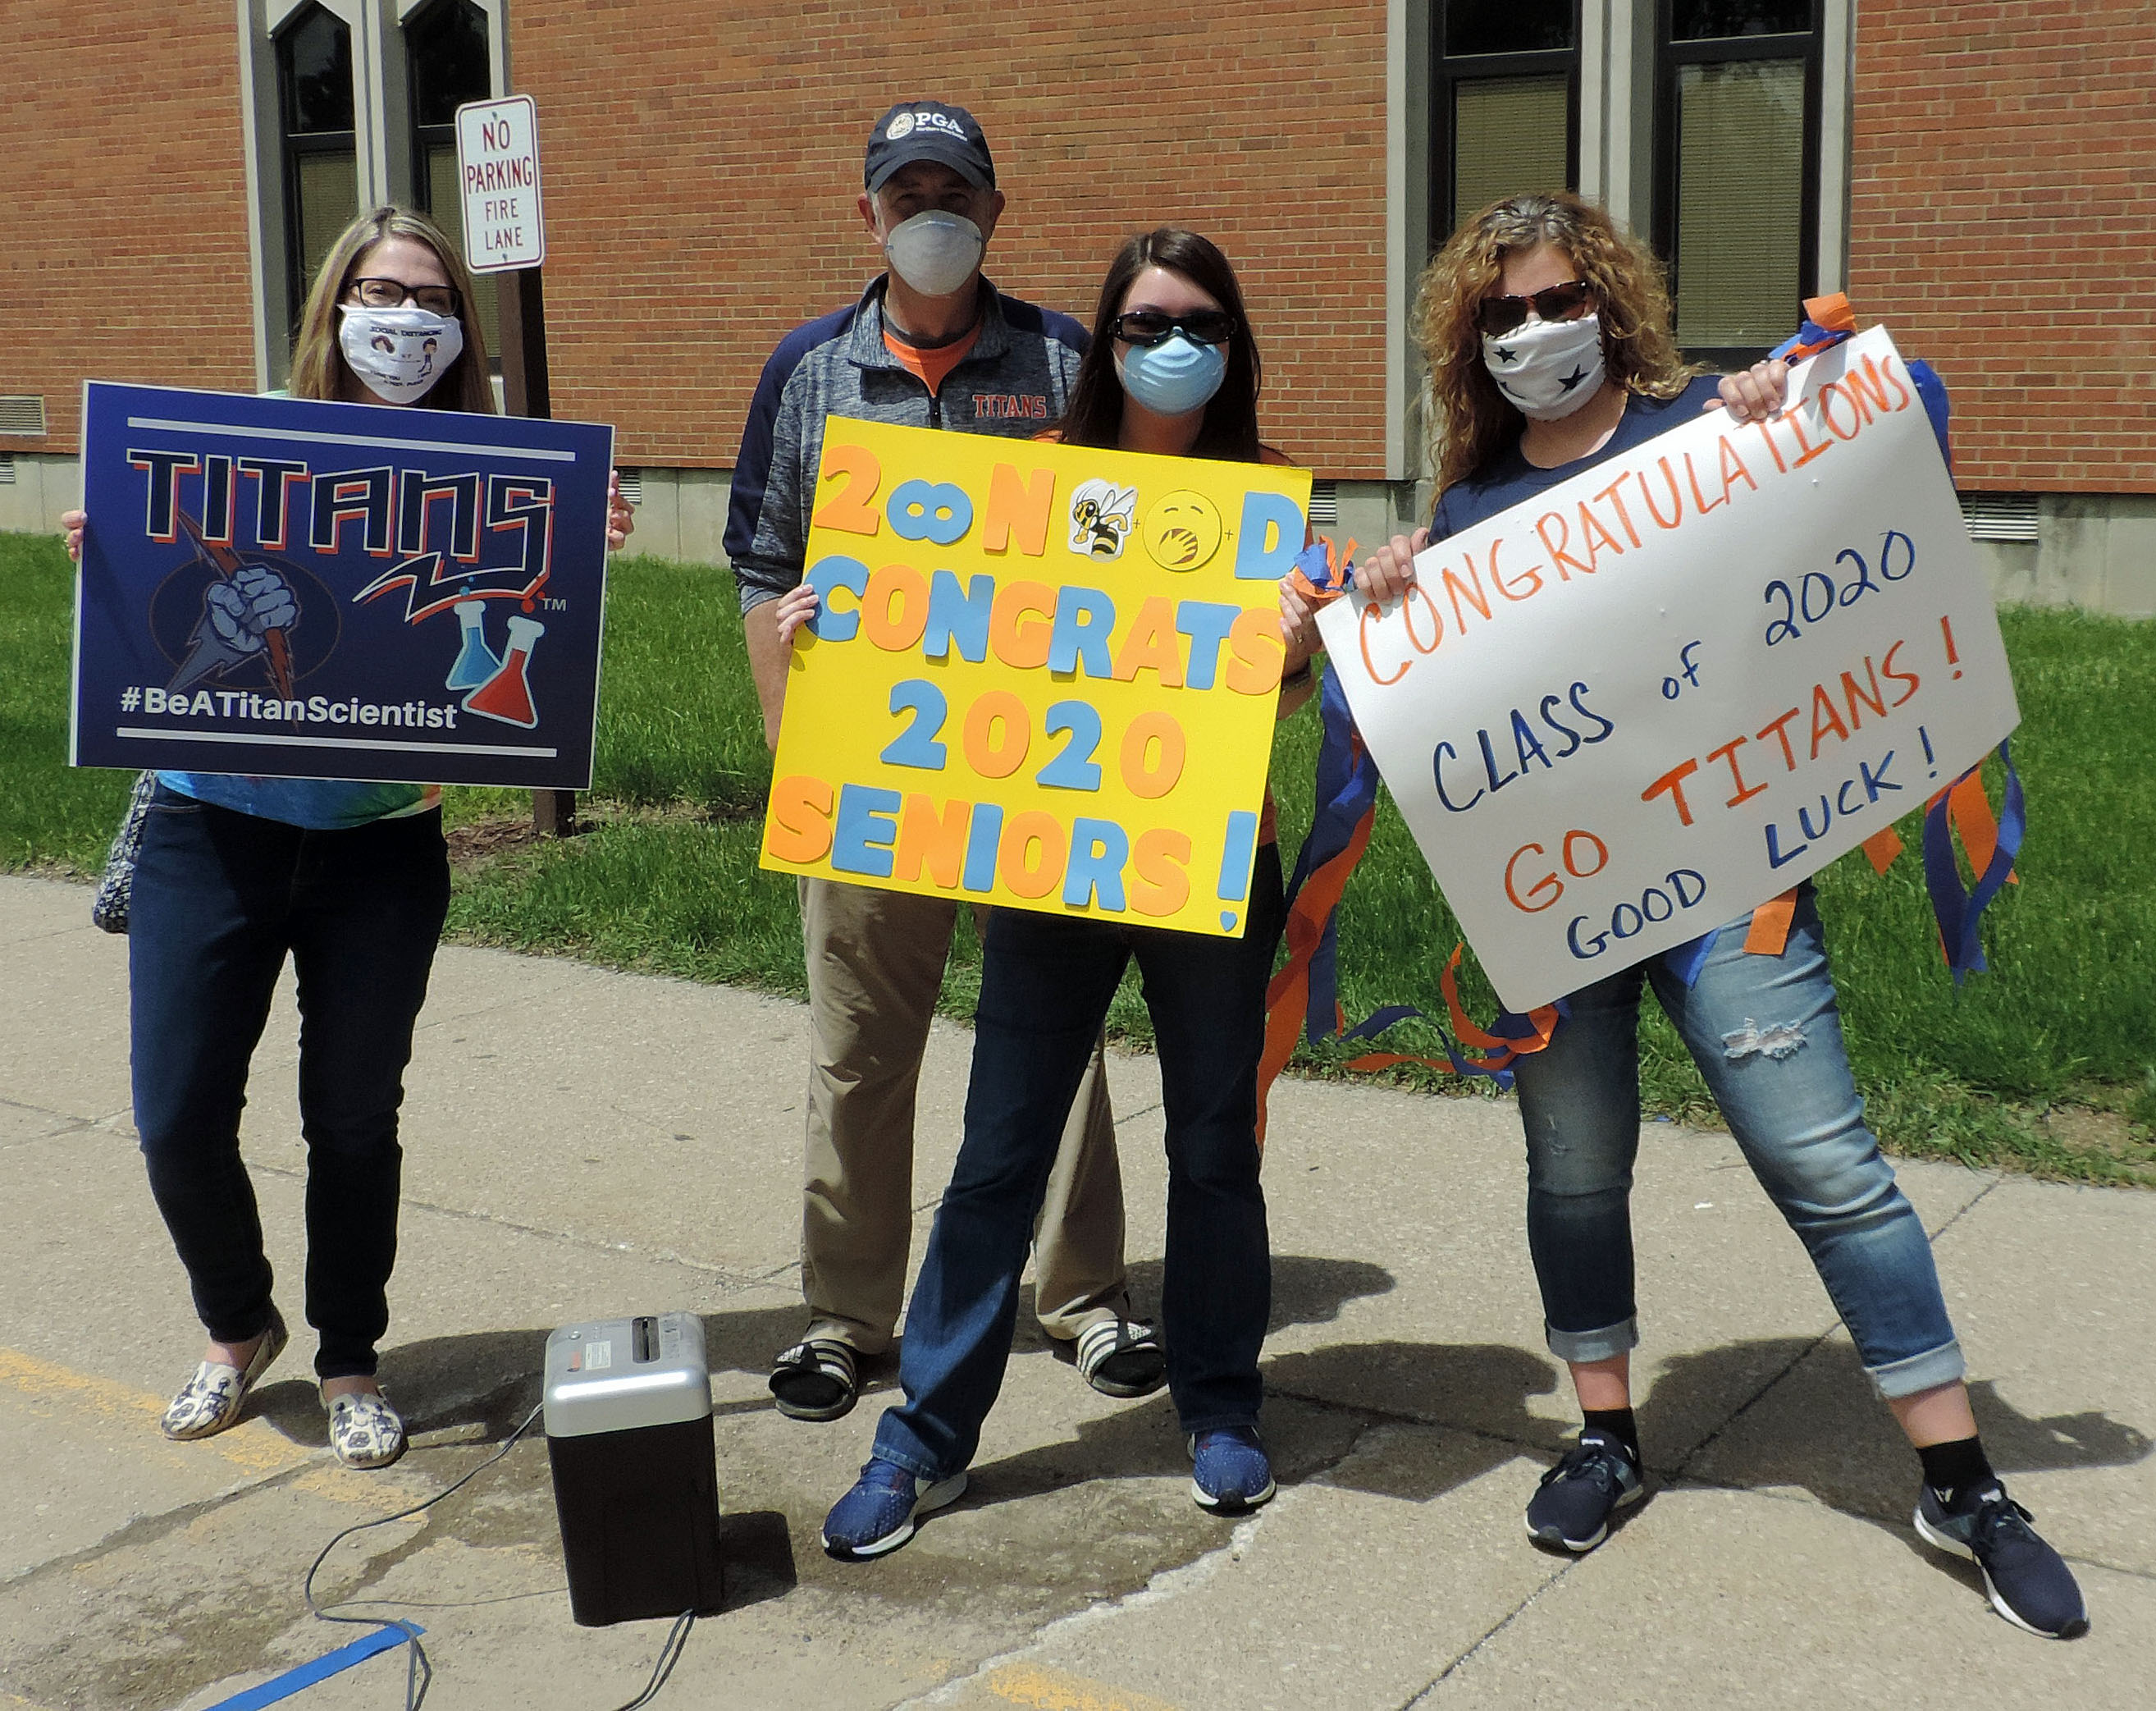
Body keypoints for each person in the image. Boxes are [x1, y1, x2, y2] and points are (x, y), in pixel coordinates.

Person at [1356, 191, 2086, 1639]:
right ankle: (1607, 1432)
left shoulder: (1709, 433)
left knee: (1827, 1162)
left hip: (1728, 893)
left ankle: (1959, 1474)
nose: (1532, 330)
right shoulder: (1474, 509)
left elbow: (1913, 419)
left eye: (1557, 299)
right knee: (1574, 1173)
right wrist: (1386, 593)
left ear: (1610, 300)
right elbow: (1428, 718)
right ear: (1469, 341)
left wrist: (1801, 393)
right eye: (1501, 315)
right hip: (1561, 912)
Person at [61, 206, 633, 1469]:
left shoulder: (496, 476)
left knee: (355, 1117)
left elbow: (521, 638)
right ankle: (236, 1323)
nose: (407, 319)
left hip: (381, 848)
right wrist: (105, 542)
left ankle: (349, 1352)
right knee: (175, 1114)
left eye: (433, 299)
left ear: (458, 328)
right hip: (211, 825)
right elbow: (160, 571)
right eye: (383, 291)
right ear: (335, 304)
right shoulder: (240, 443)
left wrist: (576, 557)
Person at [811, 228, 1322, 1558]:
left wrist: (1305, 641)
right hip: (1051, 868)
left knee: (1216, 1145)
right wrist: (841, 622)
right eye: (1150, 319)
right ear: (1106, 338)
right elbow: (934, 631)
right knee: (1001, 1150)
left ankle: (1218, 1403)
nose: (1177, 344)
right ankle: (924, 1432)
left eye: (1204, 321)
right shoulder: (1030, 485)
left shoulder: (1267, 497)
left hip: (1207, 860)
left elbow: (1293, 690)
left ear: (1236, 344)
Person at [726, 101, 1159, 1422]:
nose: (933, 213)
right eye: (907, 192)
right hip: (869, 772)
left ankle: (1084, 1295)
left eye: (957, 192)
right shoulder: (809, 370)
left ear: (995, 212)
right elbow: (760, 564)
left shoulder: (1066, 357)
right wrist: (795, 732)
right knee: (860, 1046)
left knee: (1062, 1043)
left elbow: (1137, 537)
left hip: (1037, 771)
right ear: (866, 213)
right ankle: (848, 1314)